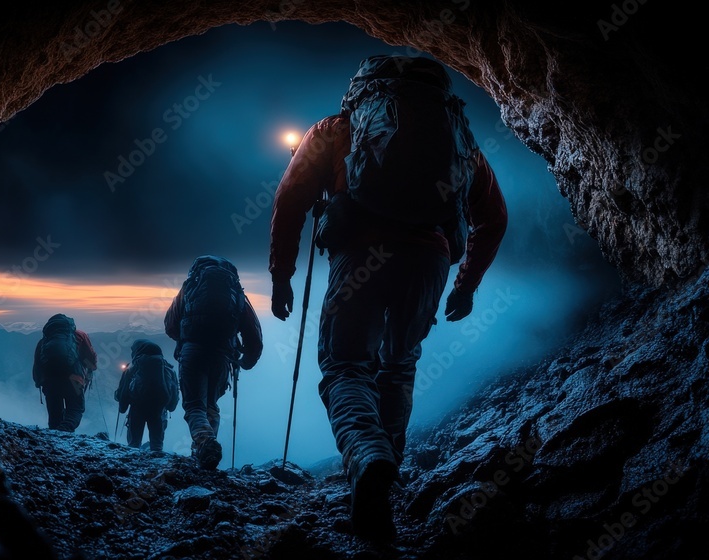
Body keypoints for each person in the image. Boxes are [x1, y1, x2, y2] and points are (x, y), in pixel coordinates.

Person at [268, 55, 508, 540]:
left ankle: (366, 456)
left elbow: (290, 200)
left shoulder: (339, 127)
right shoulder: (459, 139)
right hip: (428, 261)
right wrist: (466, 285)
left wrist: (281, 276)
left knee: (345, 367)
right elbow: (494, 218)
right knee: (398, 366)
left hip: (359, 256)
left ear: (361, 88)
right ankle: (386, 472)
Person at [165, 255, 263, 469]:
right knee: (210, 405)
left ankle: (205, 442)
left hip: (192, 351)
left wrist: (186, 337)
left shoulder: (189, 289)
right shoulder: (237, 295)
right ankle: (206, 452)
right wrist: (245, 362)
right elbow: (254, 337)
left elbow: (170, 324)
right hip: (221, 355)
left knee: (194, 406)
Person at [33, 313, 98, 432]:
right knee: (75, 409)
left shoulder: (43, 342)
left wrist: (39, 382)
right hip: (74, 380)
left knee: (54, 414)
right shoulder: (80, 335)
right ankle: (65, 431)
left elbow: (37, 365)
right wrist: (90, 368)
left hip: (50, 382)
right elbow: (91, 358)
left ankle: (54, 440)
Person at [114, 339, 180, 452]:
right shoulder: (168, 369)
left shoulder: (132, 368)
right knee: (157, 444)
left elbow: (122, 393)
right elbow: (174, 393)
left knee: (134, 444)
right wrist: (170, 406)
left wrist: (122, 406)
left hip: (137, 408)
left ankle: (132, 464)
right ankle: (157, 465)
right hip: (159, 409)